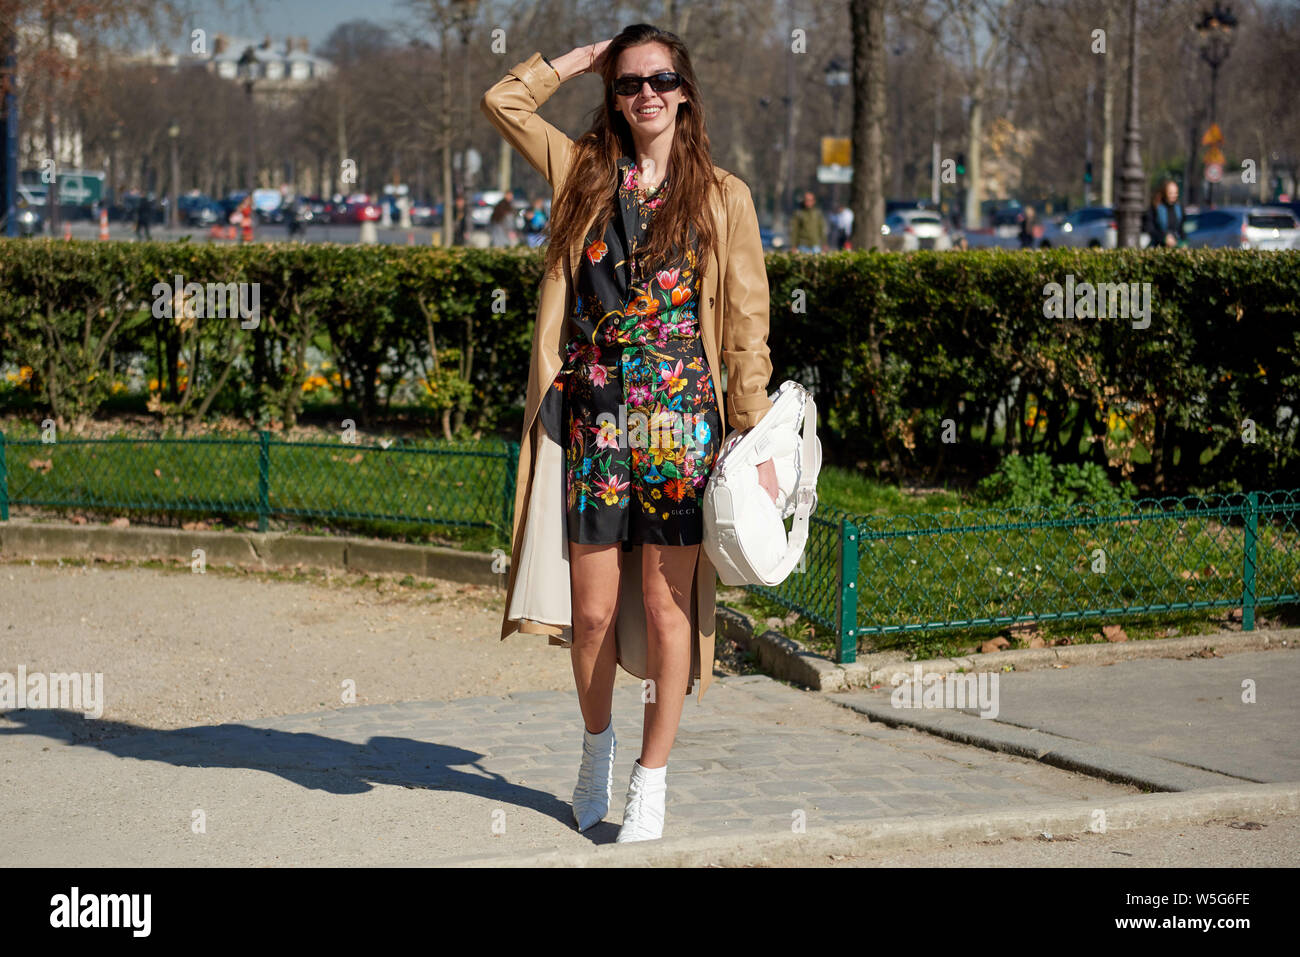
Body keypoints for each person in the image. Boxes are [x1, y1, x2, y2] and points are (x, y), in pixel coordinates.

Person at [481, 25, 778, 843]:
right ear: (612, 96)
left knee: (665, 603)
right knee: (593, 613)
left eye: (659, 79)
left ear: (684, 90)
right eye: (627, 82)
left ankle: (652, 780)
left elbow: (748, 327)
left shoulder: (724, 195)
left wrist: (750, 440)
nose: (644, 93)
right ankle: (595, 748)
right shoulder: (582, 176)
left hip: (685, 426)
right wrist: (579, 59)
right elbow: (501, 101)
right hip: (598, 421)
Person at [1141, 178, 1184, 248]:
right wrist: (1164, 238)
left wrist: (1183, 241)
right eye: (1171, 193)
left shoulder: (1179, 208)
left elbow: (1181, 229)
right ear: (1165, 192)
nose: (1173, 195)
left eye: (1176, 193)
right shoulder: (1156, 207)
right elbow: (1149, 228)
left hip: (1175, 246)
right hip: (1158, 246)